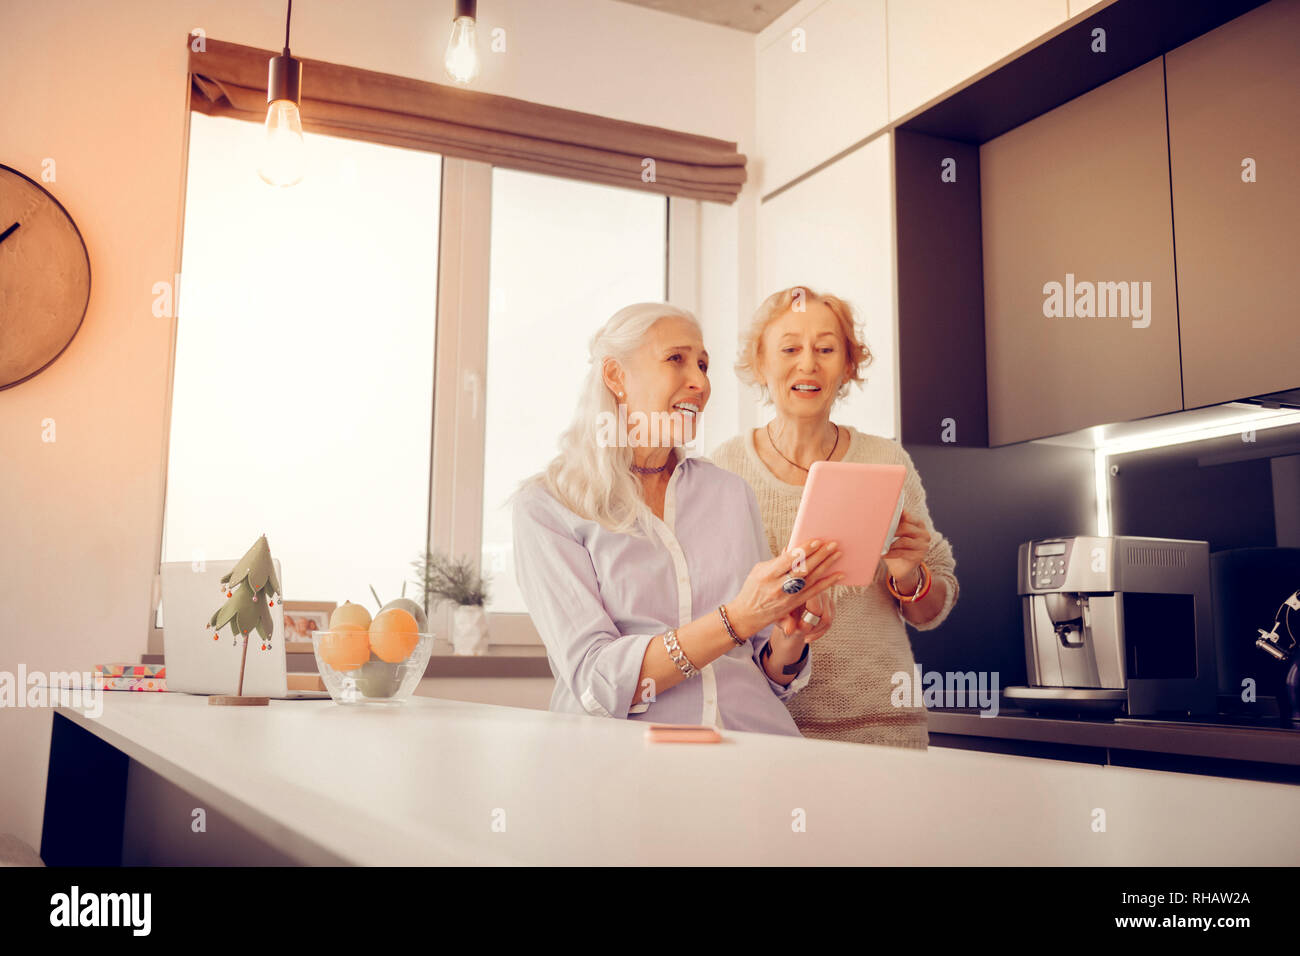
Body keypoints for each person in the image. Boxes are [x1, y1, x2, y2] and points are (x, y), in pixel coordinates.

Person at [511, 302, 843, 735]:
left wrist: (791, 634)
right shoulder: (547, 505)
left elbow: (768, 672)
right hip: (622, 762)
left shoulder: (729, 493)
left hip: (755, 747)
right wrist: (738, 619)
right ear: (616, 376)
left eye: (704, 365)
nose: (700, 382)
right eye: (677, 360)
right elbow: (597, 682)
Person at [710, 286, 959, 749]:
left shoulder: (885, 460)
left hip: (884, 730)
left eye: (826, 349)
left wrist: (909, 574)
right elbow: (713, 615)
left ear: (848, 366)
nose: (808, 364)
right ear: (761, 363)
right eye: (789, 349)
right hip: (766, 734)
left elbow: (929, 611)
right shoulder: (724, 468)